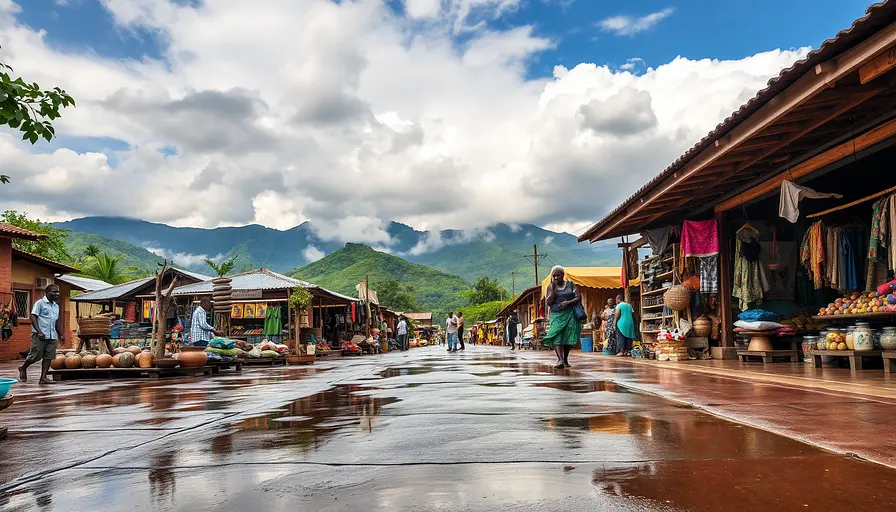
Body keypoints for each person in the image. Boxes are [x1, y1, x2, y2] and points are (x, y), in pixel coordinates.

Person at [18, 284, 64, 384]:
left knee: (49, 356)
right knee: (36, 355)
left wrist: (61, 334)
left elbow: (57, 321)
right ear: (46, 292)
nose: (57, 294)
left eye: (58, 292)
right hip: (40, 335)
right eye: (54, 292)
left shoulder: (56, 306)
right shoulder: (40, 303)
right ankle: (23, 367)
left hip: (52, 336)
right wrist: (39, 331)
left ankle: (43, 378)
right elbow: (33, 317)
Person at [541, 266, 583, 369]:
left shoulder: (571, 285)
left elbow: (578, 297)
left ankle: (565, 359)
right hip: (556, 315)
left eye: (558, 275)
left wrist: (568, 302)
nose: (555, 278)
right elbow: (548, 302)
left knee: (568, 337)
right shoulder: (550, 287)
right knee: (556, 335)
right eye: (554, 276)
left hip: (569, 313)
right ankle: (559, 360)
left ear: (563, 275)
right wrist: (554, 291)